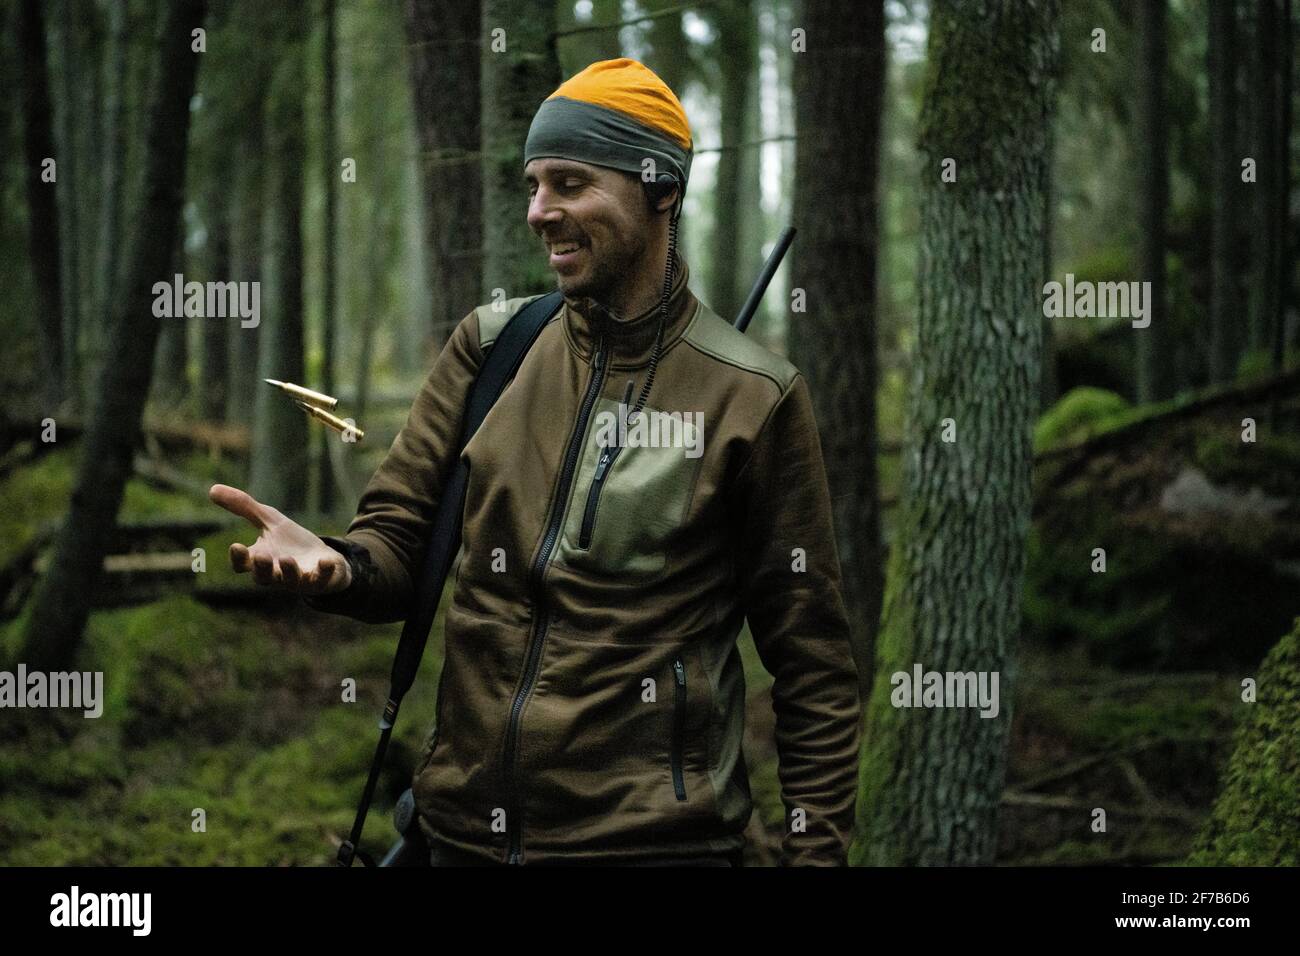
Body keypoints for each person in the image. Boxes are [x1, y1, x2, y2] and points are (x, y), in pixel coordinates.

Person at [209, 58, 861, 867]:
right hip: (455, 837)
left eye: (570, 184)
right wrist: (340, 567)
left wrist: (817, 856)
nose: (538, 212)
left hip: (652, 853)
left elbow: (815, 674)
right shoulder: (492, 347)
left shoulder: (752, 397)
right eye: (532, 185)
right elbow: (397, 544)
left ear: (660, 190)